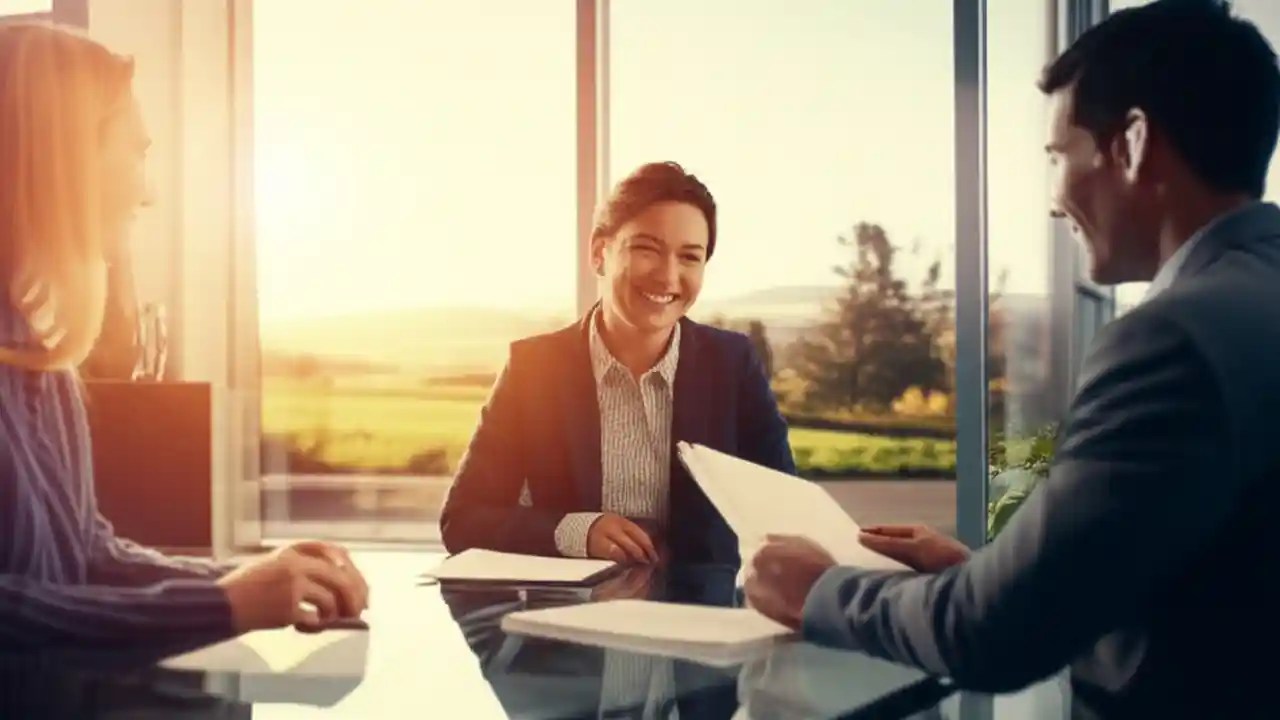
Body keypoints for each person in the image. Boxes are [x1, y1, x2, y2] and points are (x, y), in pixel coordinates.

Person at [745, 1, 1280, 716]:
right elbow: (1209, 590)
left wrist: (821, 592)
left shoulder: (1172, 340)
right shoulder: (1253, 301)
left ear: (1133, 144)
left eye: (1059, 157)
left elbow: (994, 638)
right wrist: (989, 575)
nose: (1056, 200)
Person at [0, 23, 369, 647]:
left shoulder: (42, 363)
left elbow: (86, 553)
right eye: (136, 153)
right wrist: (224, 604)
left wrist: (254, 582)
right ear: (58, 157)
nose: (147, 193)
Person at [440, 161, 795, 567]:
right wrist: (578, 530)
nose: (667, 276)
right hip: (567, 619)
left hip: (700, 620)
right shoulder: (534, 368)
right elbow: (463, 521)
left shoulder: (732, 364)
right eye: (647, 249)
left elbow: (785, 513)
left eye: (689, 257)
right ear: (599, 253)